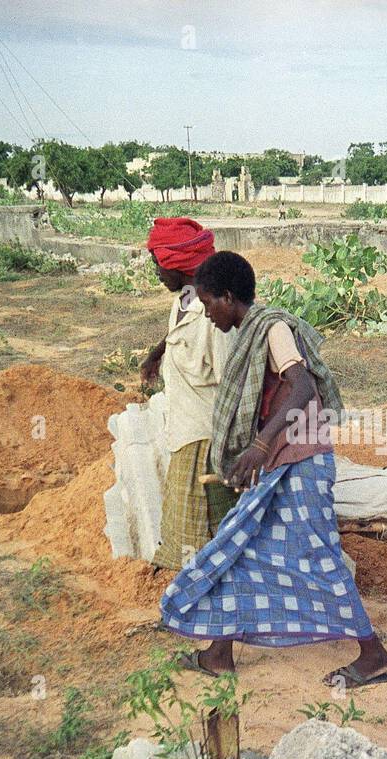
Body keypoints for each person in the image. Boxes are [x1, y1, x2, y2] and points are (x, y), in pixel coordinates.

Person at [159, 251, 387, 687]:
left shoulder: (273, 329)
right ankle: (218, 653)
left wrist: (260, 444)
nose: (208, 314)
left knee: (321, 560)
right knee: (241, 551)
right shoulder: (253, 330)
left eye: (210, 303)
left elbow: (302, 386)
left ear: (229, 298)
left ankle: (374, 654)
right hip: (283, 462)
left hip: (301, 464)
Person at [139, 218, 238, 571]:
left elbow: (232, 382)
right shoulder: (184, 299)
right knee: (184, 527)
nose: (155, 272)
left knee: (210, 528)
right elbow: (179, 331)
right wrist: (158, 352)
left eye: (156, 262)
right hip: (184, 433)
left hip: (206, 439)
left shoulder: (215, 318)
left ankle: (212, 586)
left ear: (174, 264)